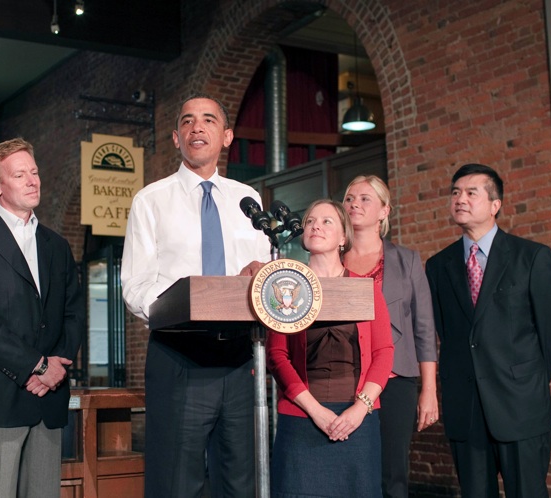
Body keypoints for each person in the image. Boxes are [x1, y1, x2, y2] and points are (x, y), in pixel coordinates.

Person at [121, 93, 270, 497]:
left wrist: (256, 277)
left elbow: (259, 278)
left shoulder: (248, 201)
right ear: (175, 138)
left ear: (227, 136)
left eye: (208, 120)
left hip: (240, 359)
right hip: (179, 355)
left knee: (240, 481)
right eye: (187, 121)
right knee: (176, 483)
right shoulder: (151, 200)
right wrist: (189, 303)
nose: (196, 127)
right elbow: (136, 287)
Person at [0, 138, 82, 498]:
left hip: (50, 399)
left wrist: (56, 367)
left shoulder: (57, 245)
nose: (32, 180)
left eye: (34, 172)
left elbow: (74, 312)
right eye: (19, 174)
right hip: (0, 400)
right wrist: (36, 367)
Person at [425, 163, 551, 498]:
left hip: (521, 405)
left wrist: (524, 378)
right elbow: (444, 332)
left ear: (494, 205)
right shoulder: (438, 266)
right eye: (455, 192)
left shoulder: (531, 257)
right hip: (466, 407)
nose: (460, 199)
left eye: (471, 192)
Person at [267, 198, 394, 498]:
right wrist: (316, 412)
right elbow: (277, 356)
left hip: (358, 421)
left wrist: (360, 408)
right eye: (310, 221)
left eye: (326, 222)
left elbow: (384, 352)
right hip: (302, 420)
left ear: (343, 238)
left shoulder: (366, 288)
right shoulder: (286, 287)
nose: (315, 226)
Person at [343, 175, 438, 498]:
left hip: (396, 380)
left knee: (392, 473)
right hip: (345, 376)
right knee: (349, 468)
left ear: (384, 211)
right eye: (349, 198)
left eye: (365, 198)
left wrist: (429, 391)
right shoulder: (331, 259)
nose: (355, 203)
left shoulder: (407, 260)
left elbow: (424, 329)